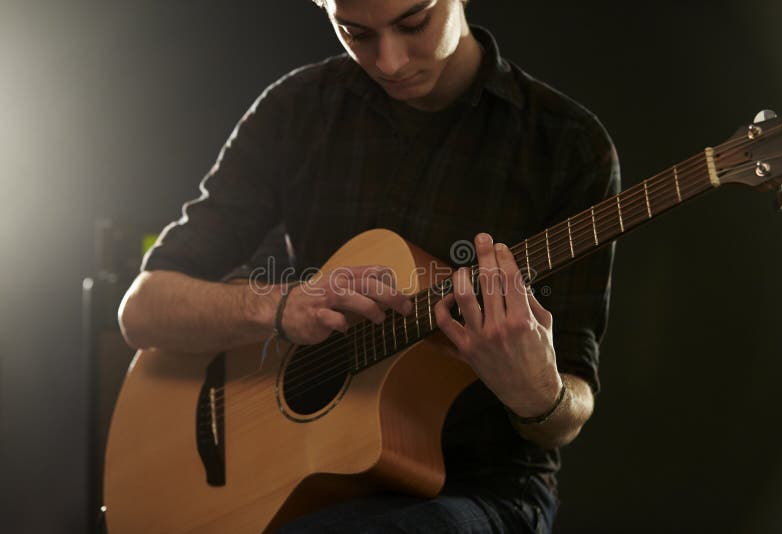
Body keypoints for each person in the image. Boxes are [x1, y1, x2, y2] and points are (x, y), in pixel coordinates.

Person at [118, 0, 620, 531]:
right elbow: (142, 309)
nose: (390, 62)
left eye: (413, 22)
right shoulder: (296, 109)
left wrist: (538, 393)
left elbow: (570, 409)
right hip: (313, 476)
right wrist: (280, 306)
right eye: (355, 32)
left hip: (482, 487)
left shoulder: (568, 146)